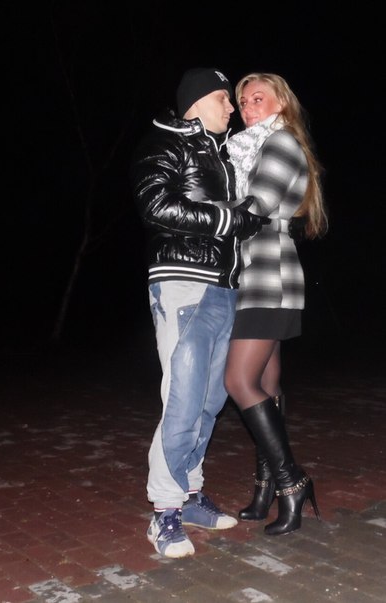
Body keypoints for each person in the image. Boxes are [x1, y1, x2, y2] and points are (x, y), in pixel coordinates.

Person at [130, 68, 270, 558]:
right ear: (195, 100)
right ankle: (164, 510)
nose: (232, 108)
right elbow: (156, 205)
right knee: (183, 398)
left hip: (225, 288)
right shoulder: (163, 141)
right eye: (223, 98)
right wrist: (231, 218)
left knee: (210, 401)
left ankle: (190, 495)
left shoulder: (221, 154)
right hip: (183, 283)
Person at [224, 72, 328, 536]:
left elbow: (258, 204)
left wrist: (202, 214)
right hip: (258, 273)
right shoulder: (254, 148)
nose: (248, 108)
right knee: (267, 382)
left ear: (281, 104)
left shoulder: (280, 143)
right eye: (243, 101)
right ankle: (266, 486)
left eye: (258, 99)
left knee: (239, 380)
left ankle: (292, 483)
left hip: (269, 276)